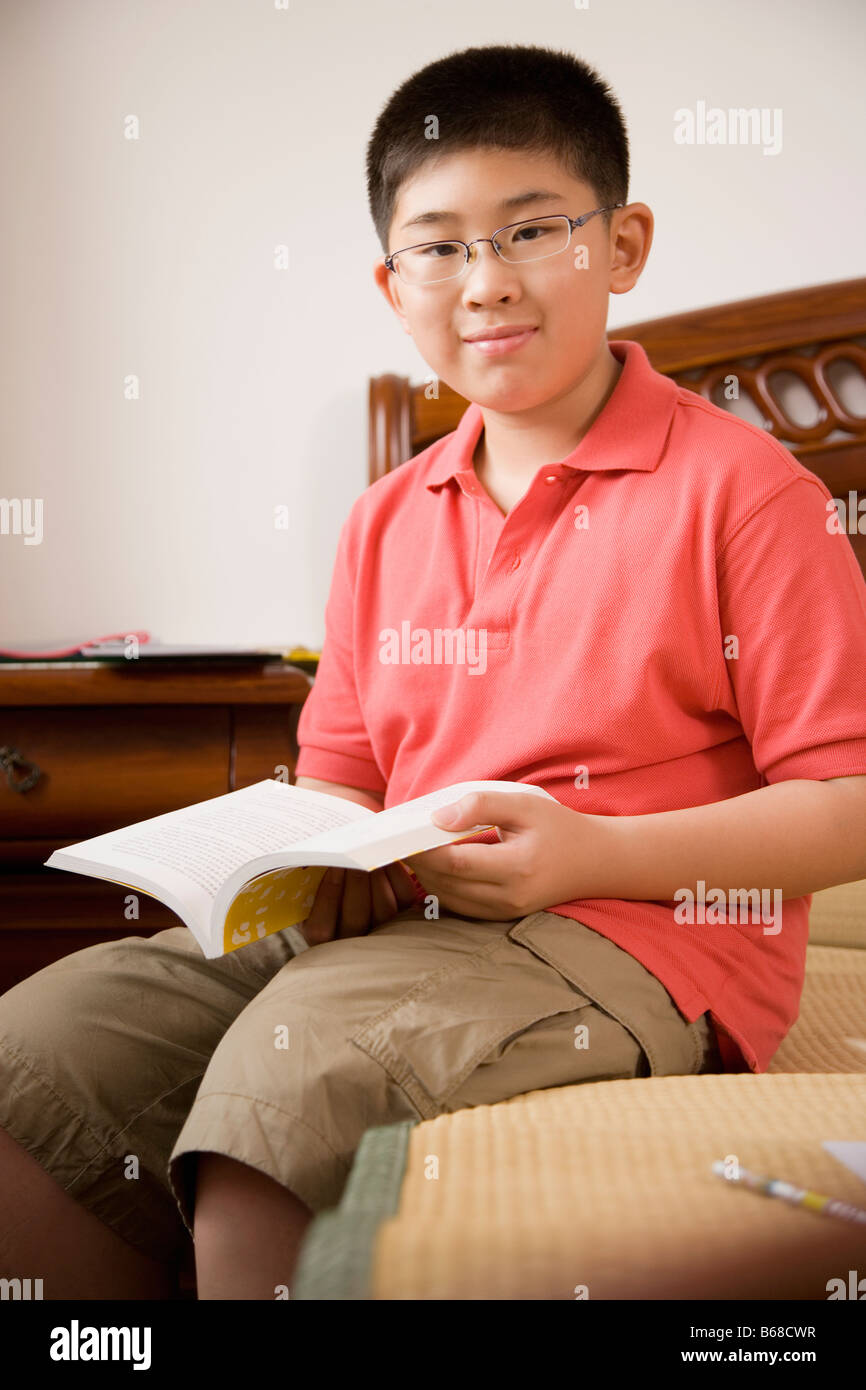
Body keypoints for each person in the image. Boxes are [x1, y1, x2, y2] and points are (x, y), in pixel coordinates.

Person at [2, 43, 866, 1302]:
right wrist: (328, 850)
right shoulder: (388, 516)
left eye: (531, 231)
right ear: (390, 278)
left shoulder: (747, 497)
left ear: (620, 246)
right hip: (412, 919)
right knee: (40, 1050)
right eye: (439, 245)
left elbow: (844, 801)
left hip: (632, 935)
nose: (485, 282)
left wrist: (585, 853)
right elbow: (346, 770)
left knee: (288, 1093)